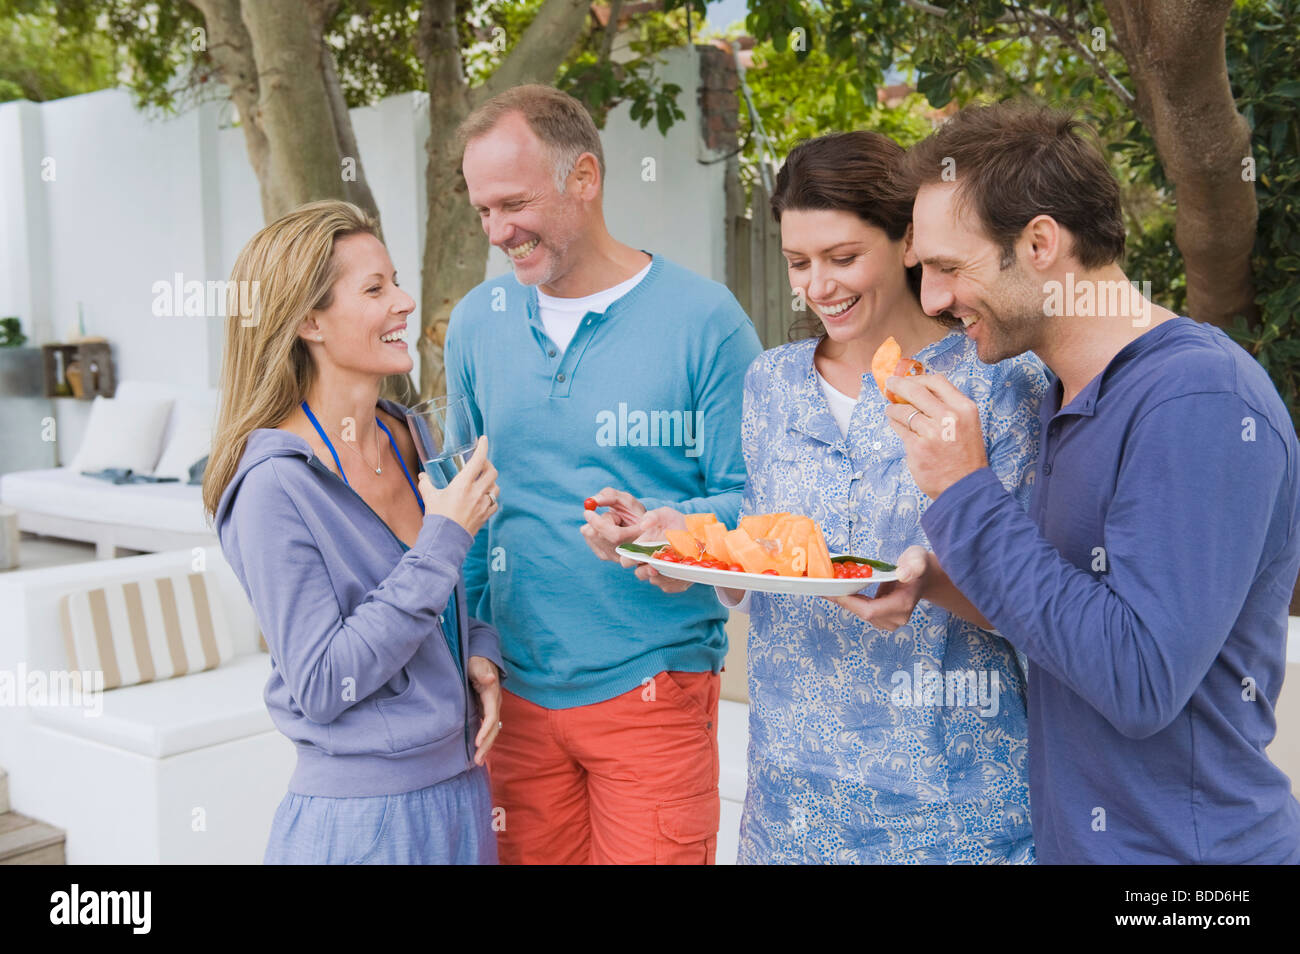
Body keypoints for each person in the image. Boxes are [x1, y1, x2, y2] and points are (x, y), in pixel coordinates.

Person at [861, 102, 1300, 863]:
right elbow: (1074, 619)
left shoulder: (1198, 399)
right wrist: (936, 582)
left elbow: (1138, 681)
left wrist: (964, 492)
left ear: (1038, 243)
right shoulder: (1061, 394)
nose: (931, 300)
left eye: (948, 268)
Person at [607, 131, 1049, 863]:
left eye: (843, 258)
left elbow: (1041, 603)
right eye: (798, 263)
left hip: (955, 809)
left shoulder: (999, 380)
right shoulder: (772, 383)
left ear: (907, 239)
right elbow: (768, 540)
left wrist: (930, 584)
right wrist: (684, 546)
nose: (818, 286)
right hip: (792, 801)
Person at [444, 84, 762, 864]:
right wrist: (475, 643)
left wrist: (669, 528)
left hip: (654, 691)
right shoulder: (473, 325)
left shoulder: (706, 320)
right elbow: (469, 507)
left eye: (513, 203)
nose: (497, 231)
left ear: (583, 177)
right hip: (511, 696)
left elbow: (759, 505)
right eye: (483, 211)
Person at [205, 199, 506, 865]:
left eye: (396, 280)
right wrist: (445, 537)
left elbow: (437, 599)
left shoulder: (410, 433)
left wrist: (477, 651)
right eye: (375, 289)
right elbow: (321, 682)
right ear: (309, 319)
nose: (404, 300)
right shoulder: (272, 487)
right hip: (366, 825)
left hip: (463, 795)